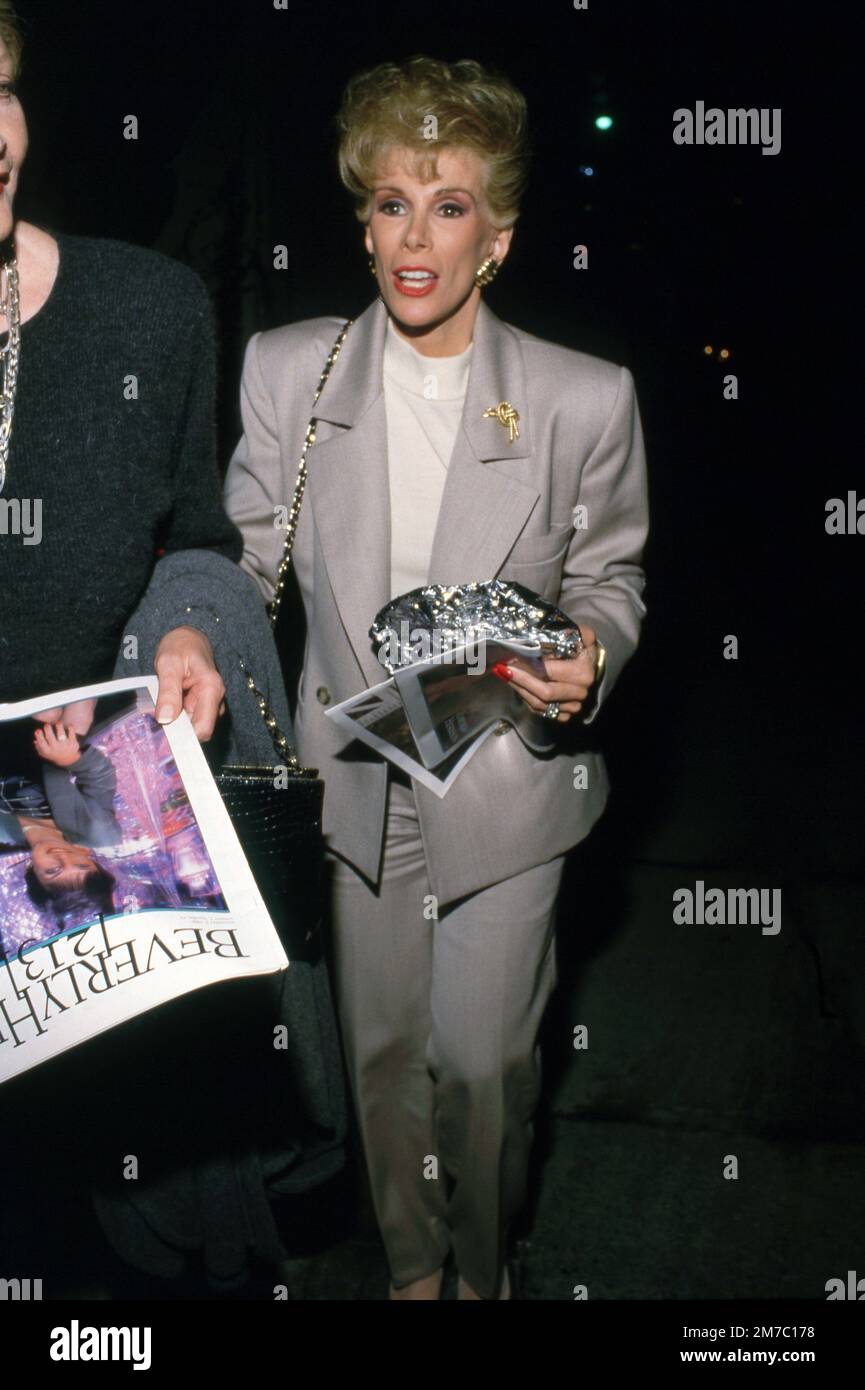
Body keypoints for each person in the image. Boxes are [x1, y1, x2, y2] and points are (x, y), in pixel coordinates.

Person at [224, 55, 649, 1300]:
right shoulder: (287, 373)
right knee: (383, 1058)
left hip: (503, 773)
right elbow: (245, 565)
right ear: (362, 219)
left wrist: (592, 655)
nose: (416, 236)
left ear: (499, 237)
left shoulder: (582, 400)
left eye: (449, 204)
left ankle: (483, 1273)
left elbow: (613, 580)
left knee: (478, 1068)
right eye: (392, 201)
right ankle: (417, 1277)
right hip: (355, 776)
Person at [0, 4, 347, 1295]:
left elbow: (197, 536)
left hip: (99, 876)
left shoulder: (148, 311)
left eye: (1, 87)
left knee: (112, 1247)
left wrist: (190, 624)